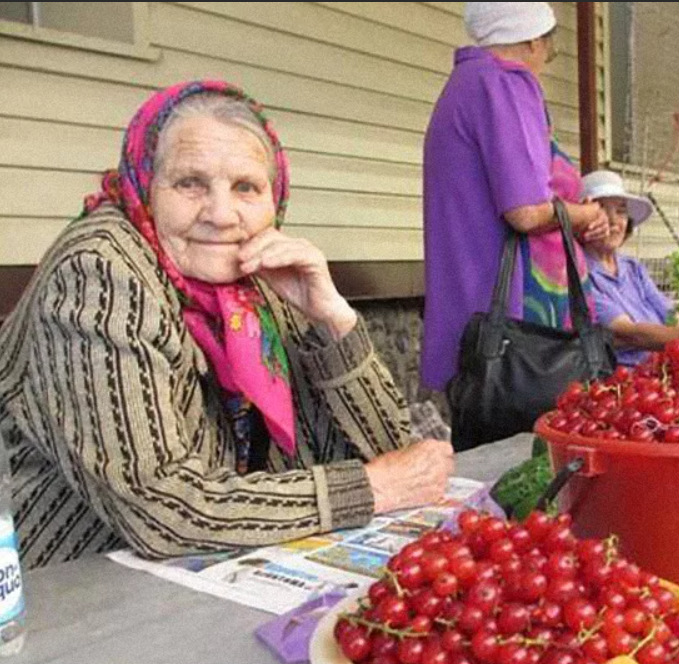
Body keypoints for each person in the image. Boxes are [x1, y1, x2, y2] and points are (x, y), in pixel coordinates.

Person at [0, 81, 453, 570]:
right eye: (190, 183)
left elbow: (389, 452)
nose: (220, 215)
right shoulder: (100, 272)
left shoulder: (254, 280)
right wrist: (371, 488)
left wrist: (332, 319)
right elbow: (162, 508)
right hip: (73, 593)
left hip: (200, 576)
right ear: (144, 185)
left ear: (273, 197)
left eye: (246, 187)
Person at [421, 2, 609, 394]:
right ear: (534, 41)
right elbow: (525, 212)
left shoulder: (465, 83)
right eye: (549, 50)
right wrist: (584, 214)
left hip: (473, 310)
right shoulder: (504, 83)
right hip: (516, 323)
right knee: (529, 444)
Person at [580, 171, 679, 366]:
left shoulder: (632, 268)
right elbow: (626, 333)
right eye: (602, 210)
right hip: (623, 382)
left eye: (621, 211)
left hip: (662, 369)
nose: (614, 222)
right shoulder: (580, 274)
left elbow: (669, 314)